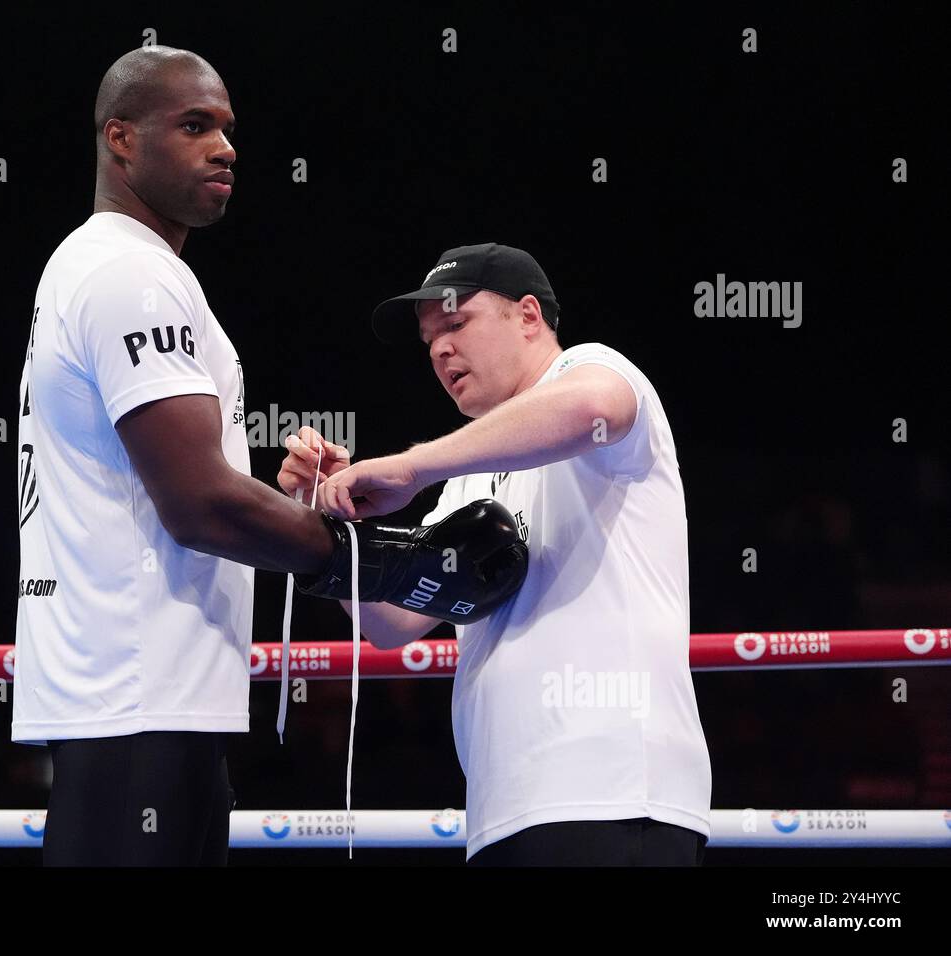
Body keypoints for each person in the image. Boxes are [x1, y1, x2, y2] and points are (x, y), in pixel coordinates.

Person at [12, 48, 525, 866]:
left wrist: (313, 518)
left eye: (227, 129)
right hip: (139, 695)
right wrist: (381, 562)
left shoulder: (103, 268)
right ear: (120, 138)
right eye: (193, 125)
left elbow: (183, 491)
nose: (225, 147)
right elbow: (199, 505)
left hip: (136, 693)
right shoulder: (130, 275)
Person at [279, 243, 712, 865]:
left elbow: (592, 407)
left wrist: (410, 466)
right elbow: (390, 625)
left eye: (456, 324)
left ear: (529, 316)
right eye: (429, 340)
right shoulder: (466, 482)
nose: (439, 350)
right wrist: (320, 517)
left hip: (613, 794)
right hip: (504, 811)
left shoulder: (596, 370)